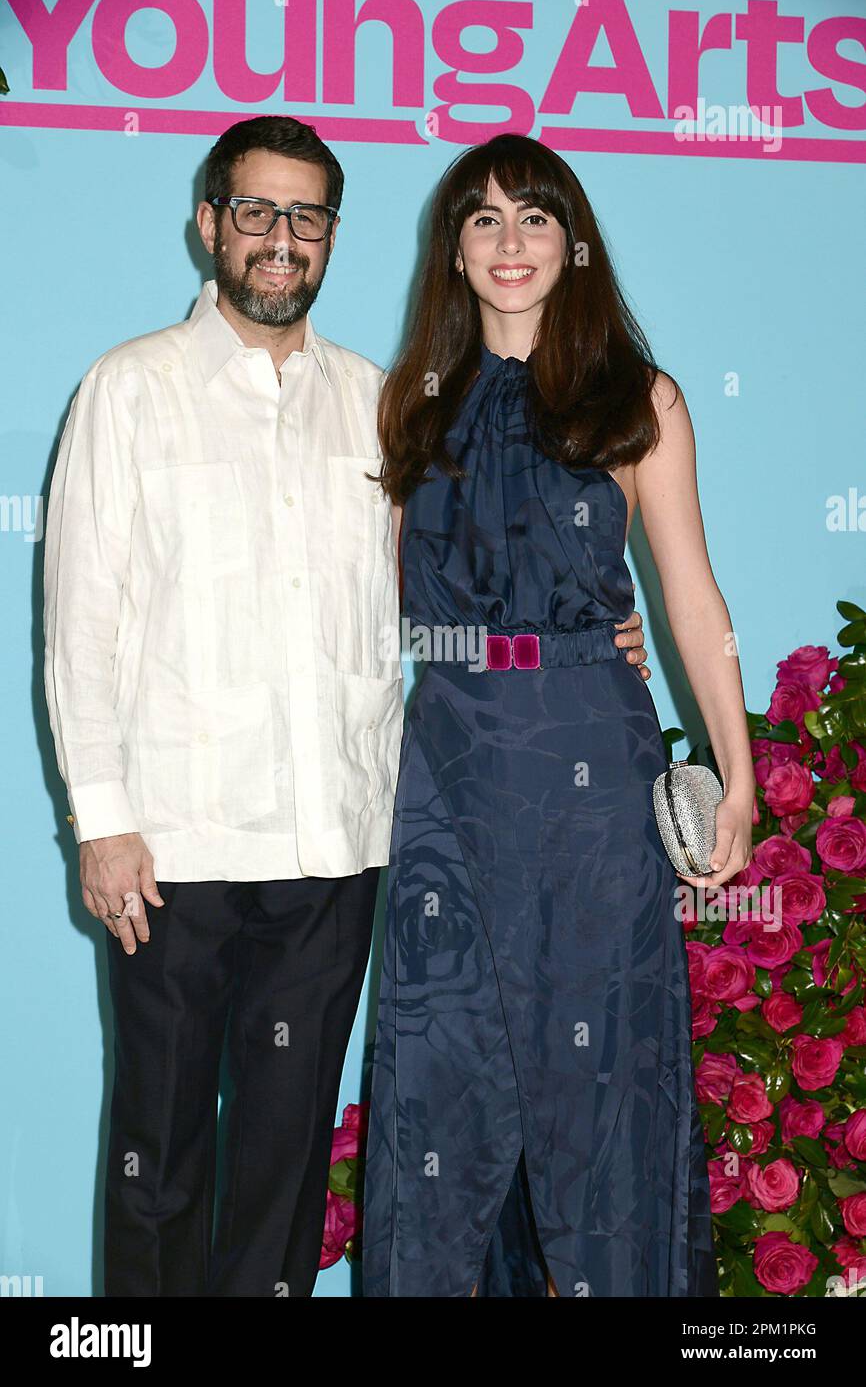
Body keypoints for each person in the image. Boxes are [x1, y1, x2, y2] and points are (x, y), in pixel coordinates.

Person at [41, 112, 654, 1297]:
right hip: (174, 841)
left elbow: (437, 590)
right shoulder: (127, 391)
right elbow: (80, 622)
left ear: (330, 238)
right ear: (209, 224)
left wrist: (589, 631)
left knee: (283, 1163)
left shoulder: (382, 404)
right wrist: (101, 820)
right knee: (155, 1154)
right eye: (256, 212)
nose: (281, 239)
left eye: (306, 217)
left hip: (338, 842)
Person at [362, 133, 756, 1298]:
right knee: (439, 1079)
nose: (510, 242)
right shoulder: (412, 405)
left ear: (571, 240)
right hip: (450, 773)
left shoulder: (638, 398)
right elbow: (382, 606)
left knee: (600, 1084)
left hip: (592, 761)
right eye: (482, 220)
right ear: (454, 251)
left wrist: (735, 776)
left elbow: (689, 595)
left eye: (532, 217)